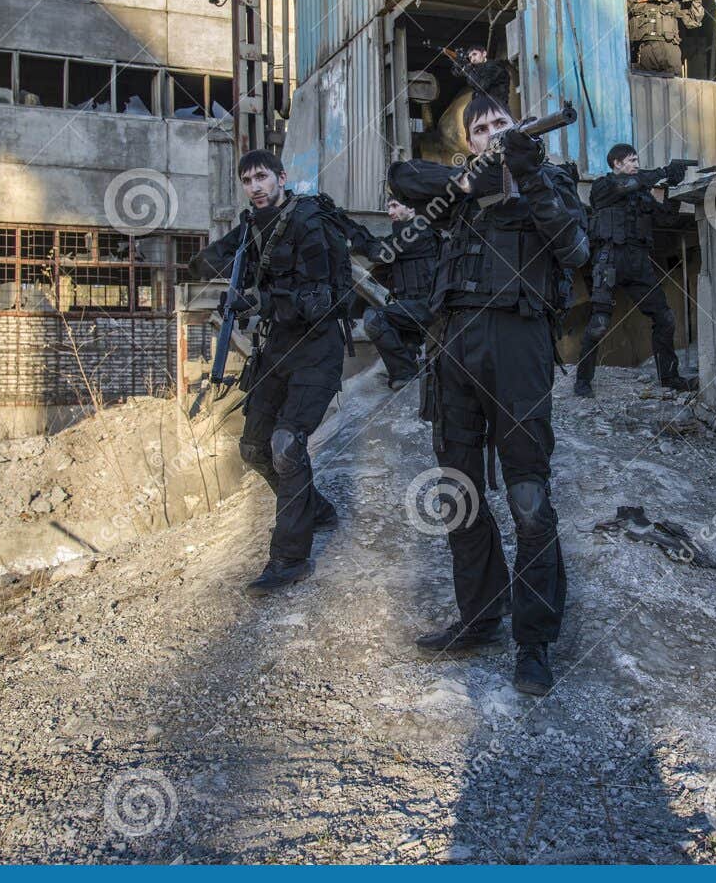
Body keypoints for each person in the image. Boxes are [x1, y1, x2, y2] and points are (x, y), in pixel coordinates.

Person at [393, 95, 588, 696]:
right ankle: (480, 616)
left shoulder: (548, 181)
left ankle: (533, 642)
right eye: (481, 129)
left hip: (518, 345)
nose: (493, 132)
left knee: (528, 497)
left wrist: (525, 172)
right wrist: (473, 177)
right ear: (469, 143)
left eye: (501, 123)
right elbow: (401, 176)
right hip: (453, 349)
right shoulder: (459, 195)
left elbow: (575, 251)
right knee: (459, 492)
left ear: (520, 130)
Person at [188, 150, 354, 591]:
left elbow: (321, 302)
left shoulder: (308, 223)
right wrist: (231, 285)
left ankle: (289, 559)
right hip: (275, 350)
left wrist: (259, 301)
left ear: (282, 178)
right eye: (247, 180)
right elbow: (207, 261)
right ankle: (314, 509)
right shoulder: (249, 229)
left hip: (317, 350)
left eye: (262, 177)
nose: (255, 186)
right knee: (254, 449)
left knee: (286, 444)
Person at [575, 143, 697, 397]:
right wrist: (663, 170)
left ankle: (670, 377)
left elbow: (666, 218)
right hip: (609, 259)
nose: (636, 164)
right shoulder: (603, 187)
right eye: (631, 160)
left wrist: (670, 185)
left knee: (664, 318)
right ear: (616, 164)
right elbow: (626, 185)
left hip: (638, 262)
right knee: (598, 323)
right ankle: (583, 381)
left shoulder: (641, 194)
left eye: (637, 160)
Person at [362, 197, 440, 392]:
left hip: (430, 309)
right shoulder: (402, 238)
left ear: (412, 208)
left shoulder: (421, 233)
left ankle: (405, 374)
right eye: (388, 207)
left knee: (374, 318)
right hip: (411, 313)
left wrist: (354, 233)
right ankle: (408, 370)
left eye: (395, 206)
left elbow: (378, 252)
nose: (389, 212)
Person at [627, 0, 706, 77]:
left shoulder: (672, 3)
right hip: (647, 50)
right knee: (646, 85)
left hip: (671, 50)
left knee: (675, 88)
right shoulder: (635, 2)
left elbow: (692, 21)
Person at [447, 44, 512, 107]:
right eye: (470, 57)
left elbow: (482, 86)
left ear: (484, 54)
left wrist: (470, 72)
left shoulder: (494, 66)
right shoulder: (478, 70)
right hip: (487, 108)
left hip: (497, 107)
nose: (473, 59)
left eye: (475, 54)